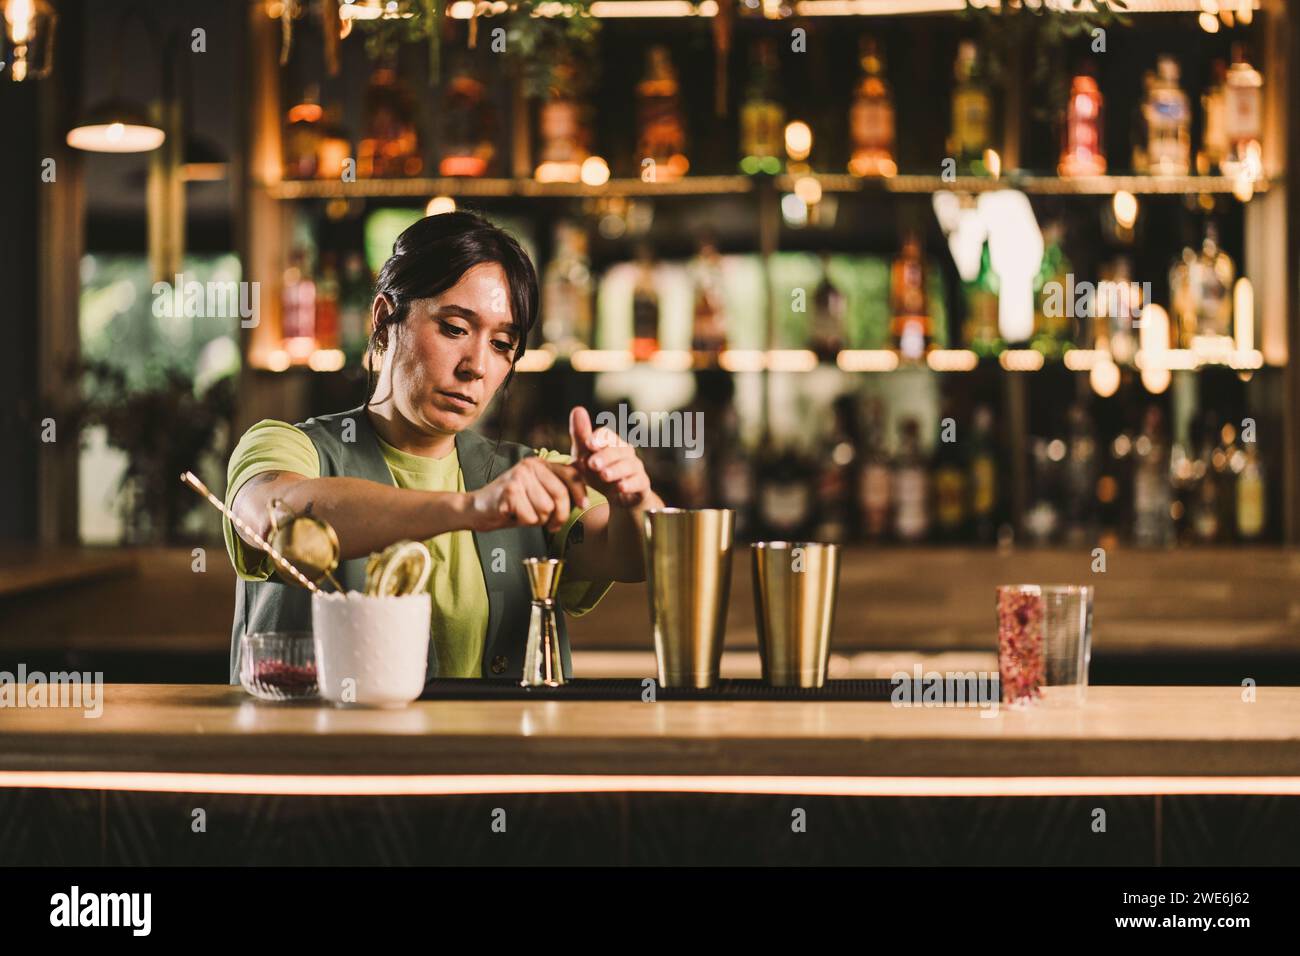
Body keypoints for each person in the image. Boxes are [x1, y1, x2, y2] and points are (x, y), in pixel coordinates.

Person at [224, 211, 663, 684]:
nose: (476, 366)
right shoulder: (287, 447)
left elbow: (634, 555)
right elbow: (273, 517)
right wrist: (470, 508)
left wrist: (634, 501)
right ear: (384, 318)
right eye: (454, 328)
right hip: (321, 755)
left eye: (500, 344)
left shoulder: (531, 476)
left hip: (490, 757)